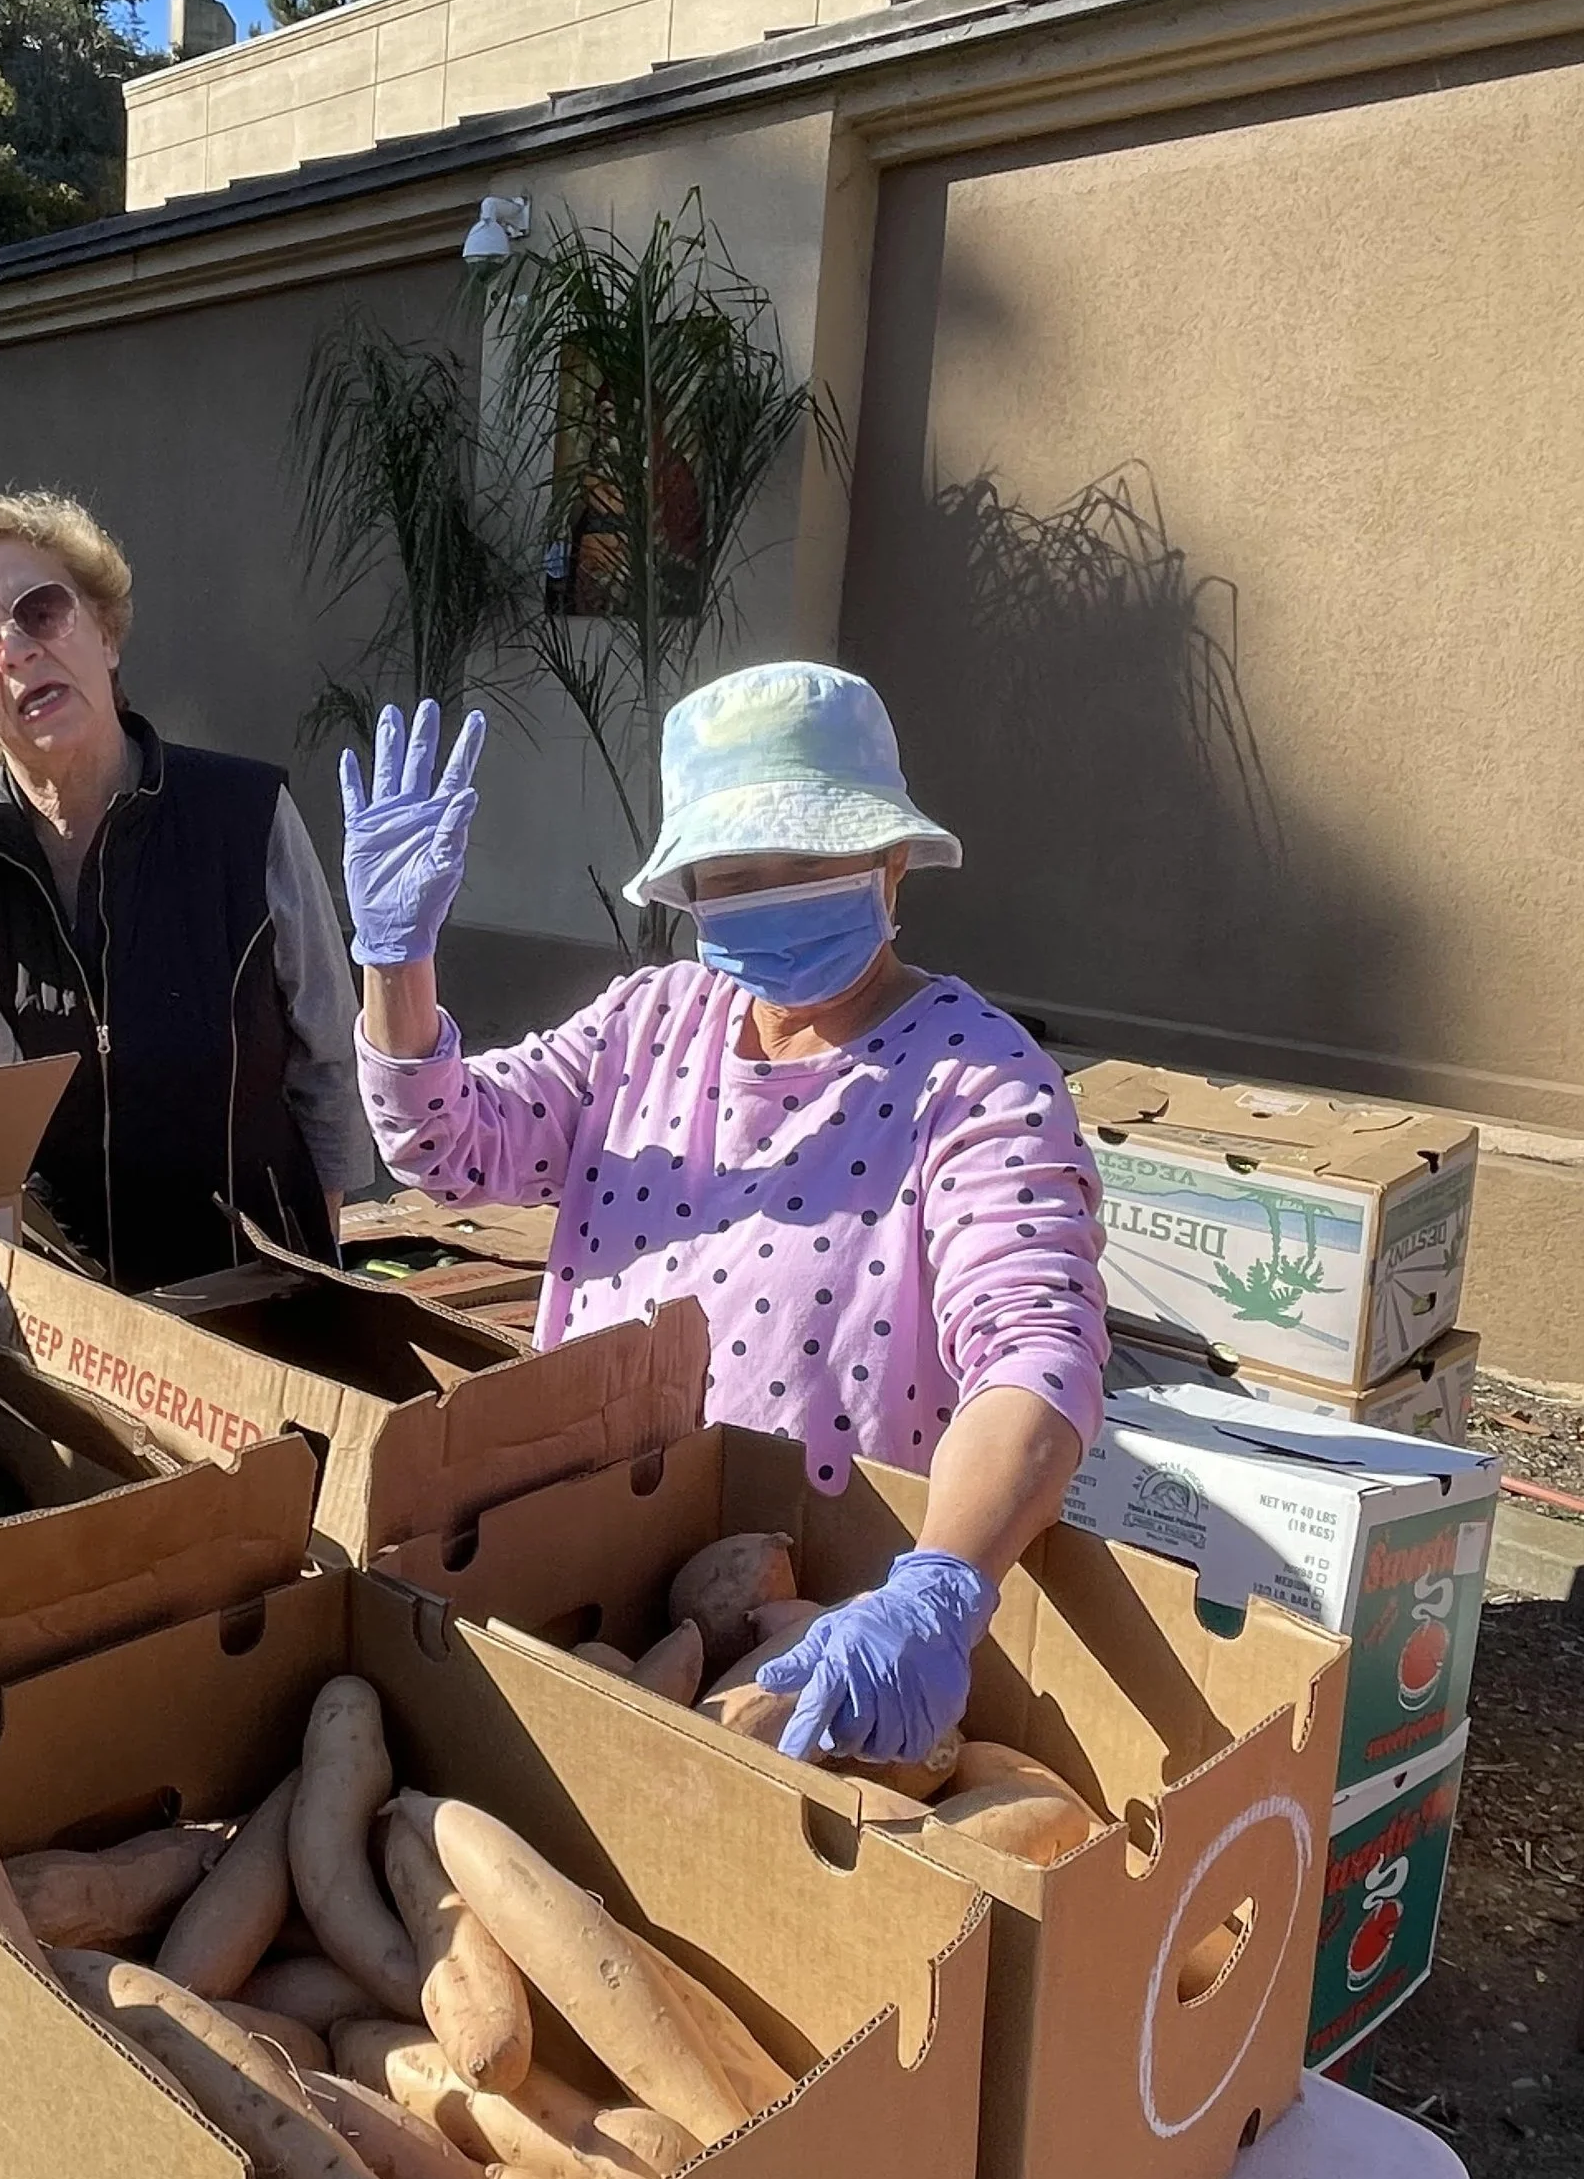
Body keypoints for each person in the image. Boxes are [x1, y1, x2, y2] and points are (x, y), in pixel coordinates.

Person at [343, 666, 1109, 1767]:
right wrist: (396, 962)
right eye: (732, 871)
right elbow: (450, 1145)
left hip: (833, 1639)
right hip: (588, 1591)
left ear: (891, 865)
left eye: (806, 861)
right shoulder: (649, 1022)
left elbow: (1037, 1353)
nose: (768, 890)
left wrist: (942, 1585)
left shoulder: (978, 1082)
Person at [0, 492, 364, 1292]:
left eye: (41, 611)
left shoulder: (244, 812)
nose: (14, 650)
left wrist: (321, 1263)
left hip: (254, 1288)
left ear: (106, 633)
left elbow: (327, 1048)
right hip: (67, 1305)